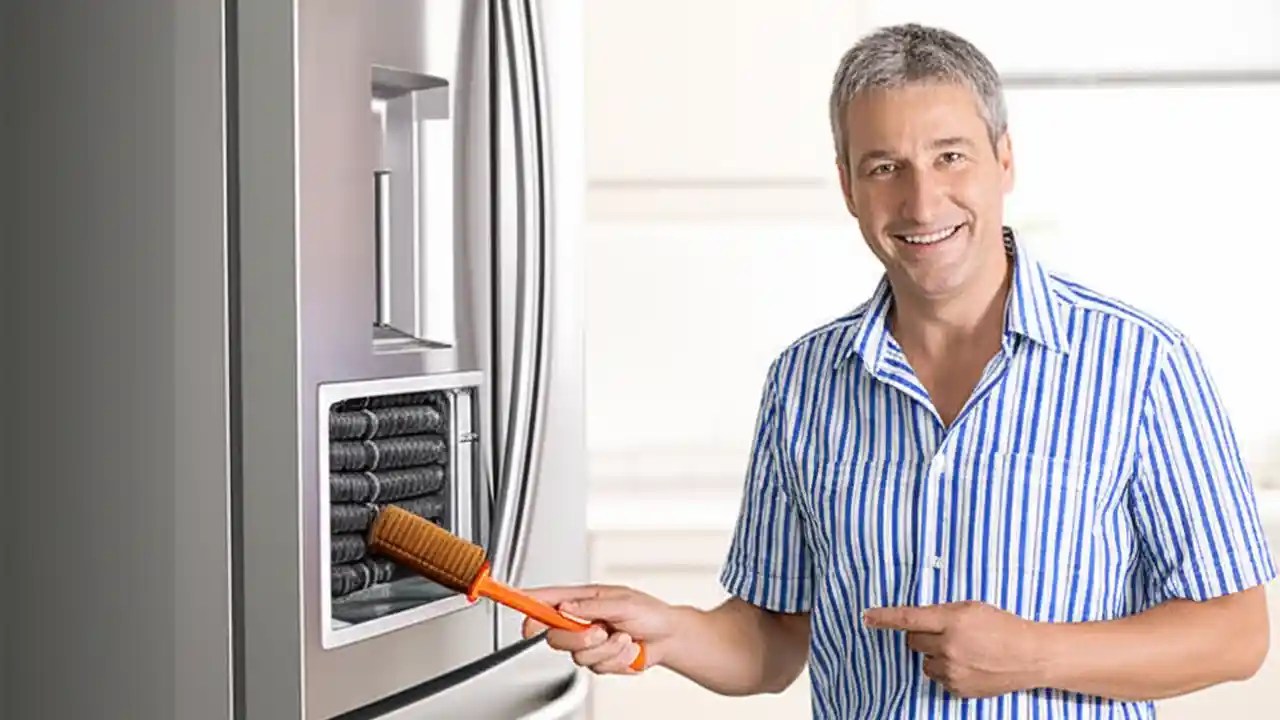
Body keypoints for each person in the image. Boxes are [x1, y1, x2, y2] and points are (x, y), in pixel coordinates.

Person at [524, 23, 1277, 718]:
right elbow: (776, 639)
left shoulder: (1141, 366)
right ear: (849, 186)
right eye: (885, 167)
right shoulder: (804, 383)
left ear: (1004, 160)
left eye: (950, 156)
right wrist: (672, 631)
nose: (922, 201)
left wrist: (1034, 654)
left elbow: (1236, 635)